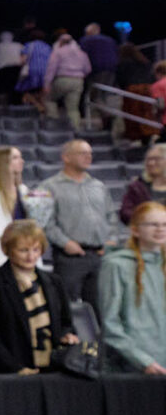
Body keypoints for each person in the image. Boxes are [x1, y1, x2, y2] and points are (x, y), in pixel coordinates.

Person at [0, 220, 77, 375]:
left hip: (52, 370)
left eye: (36, 250)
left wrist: (67, 336)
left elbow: (66, 323)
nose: (31, 256)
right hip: (10, 373)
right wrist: (16, 368)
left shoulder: (54, 281)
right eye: (23, 250)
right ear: (8, 250)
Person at [42, 139, 115, 308]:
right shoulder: (48, 187)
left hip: (100, 255)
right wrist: (65, 243)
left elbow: (111, 215)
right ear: (66, 157)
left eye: (90, 153)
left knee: (101, 307)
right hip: (69, 258)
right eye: (83, 153)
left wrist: (110, 239)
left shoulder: (99, 186)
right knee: (65, 307)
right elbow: (45, 222)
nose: (88, 157)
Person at [97, 201, 166, 374]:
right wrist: (143, 361)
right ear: (135, 230)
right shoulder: (116, 266)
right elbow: (109, 323)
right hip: (133, 368)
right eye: (153, 224)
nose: (160, 229)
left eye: (164, 224)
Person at [43, 33, 92, 129]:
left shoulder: (58, 52)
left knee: (49, 99)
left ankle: (54, 125)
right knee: (73, 108)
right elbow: (88, 69)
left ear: (60, 42)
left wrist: (47, 84)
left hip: (62, 79)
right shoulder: (81, 53)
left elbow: (51, 69)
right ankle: (76, 130)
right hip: (78, 81)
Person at [15, 28, 51, 113]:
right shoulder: (47, 47)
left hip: (32, 71)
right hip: (46, 72)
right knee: (41, 92)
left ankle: (38, 106)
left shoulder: (28, 45)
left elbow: (23, 60)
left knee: (25, 91)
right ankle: (44, 110)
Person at [0, 31, 24, 101]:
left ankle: (5, 103)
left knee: (3, 88)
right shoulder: (19, 45)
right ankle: (16, 102)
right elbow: (23, 57)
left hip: (2, 70)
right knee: (14, 87)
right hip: (15, 69)